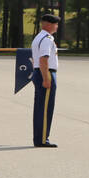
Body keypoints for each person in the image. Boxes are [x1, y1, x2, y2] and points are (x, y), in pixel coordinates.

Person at [31, 12, 60, 148]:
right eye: (55, 24)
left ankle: (40, 138)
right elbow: (44, 59)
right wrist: (46, 78)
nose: (57, 26)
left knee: (40, 107)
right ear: (48, 24)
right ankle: (42, 139)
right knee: (45, 109)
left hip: (39, 72)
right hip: (46, 73)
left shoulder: (39, 37)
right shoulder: (47, 39)